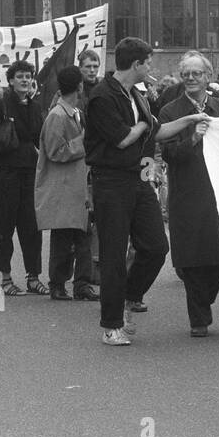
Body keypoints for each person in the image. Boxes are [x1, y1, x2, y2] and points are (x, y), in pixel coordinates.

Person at [86, 37, 210, 347]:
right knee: (114, 253)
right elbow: (122, 139)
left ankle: (130, 296)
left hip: (139, 178)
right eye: (148, 62)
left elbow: (158, 130)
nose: (151, 68)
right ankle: (112, 324)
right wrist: (144, 123)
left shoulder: (136, 95)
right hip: (111, 180)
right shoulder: (103, 96)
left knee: (156, 246)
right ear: (137, 64)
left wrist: (191, 121)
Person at [159, 52, 219, 336]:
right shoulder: (170, 111)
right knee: (192, 258)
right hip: (188, 192)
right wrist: (193, 138)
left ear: (208, 77)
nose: (191, 79)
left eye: (196, 74)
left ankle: (204, 300)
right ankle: (198, 319)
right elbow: (168, 152)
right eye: (186, 74)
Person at [0, 60, 47, 296]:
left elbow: (39, 138)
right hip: (6, 177)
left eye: (28, 76)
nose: (25, 80)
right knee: (5, 229)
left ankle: (33, 277)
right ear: (10, 80)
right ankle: (6, 279)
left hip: (29, 175)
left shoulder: (36, 106)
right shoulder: (0, 106)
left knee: (32, 228)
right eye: (20, 76)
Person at [35, 66, 94, 301]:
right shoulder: (58, 115)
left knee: (83, 236)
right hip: (62, 187)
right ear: (79, 86)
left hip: (76, 185)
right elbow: (54, 151)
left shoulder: (74, 112)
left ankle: (82, 283)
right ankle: (57, 283)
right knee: (63, 238)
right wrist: (82, 141)